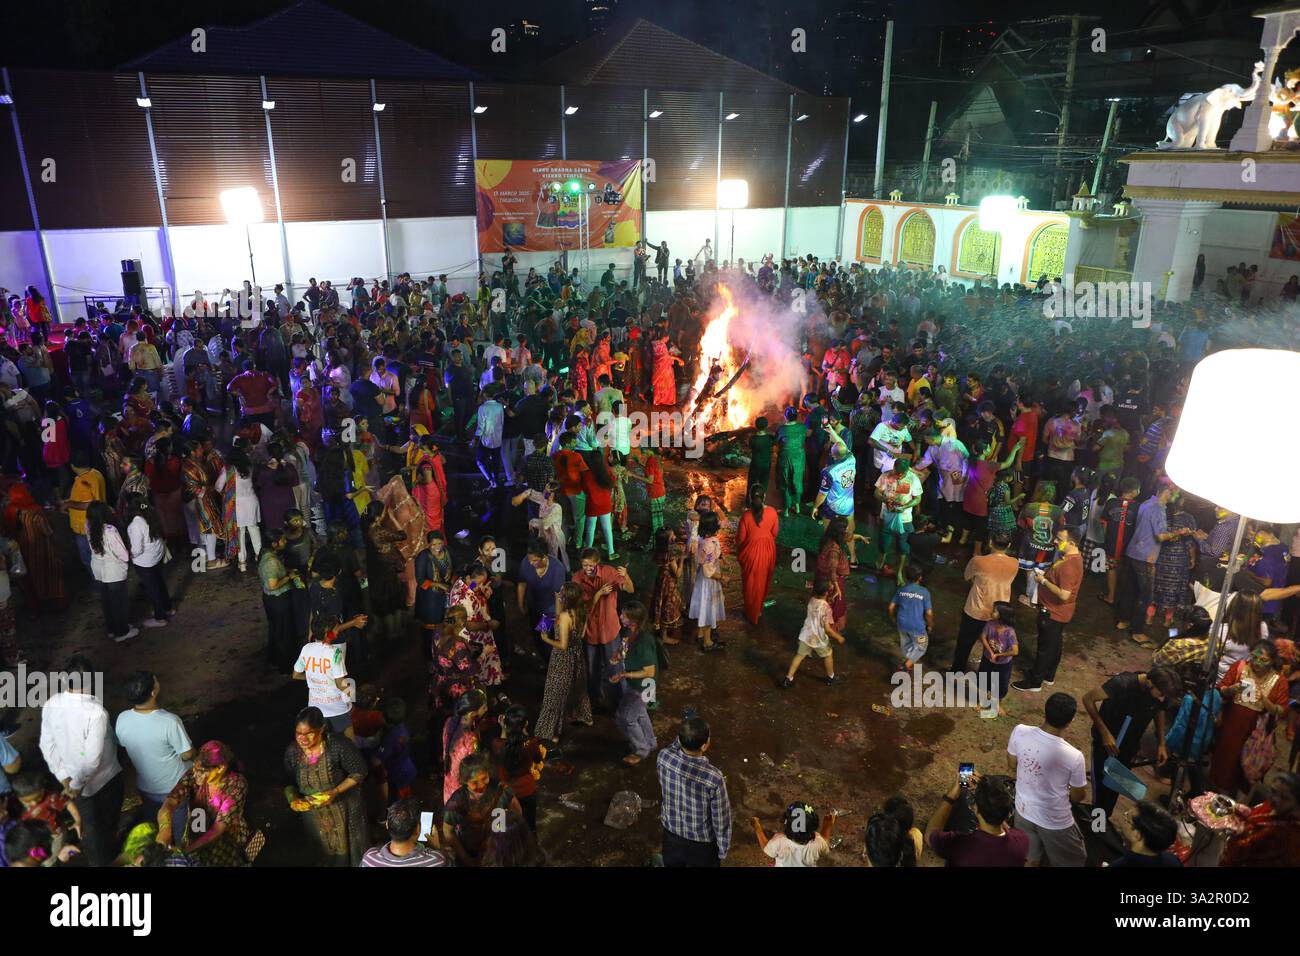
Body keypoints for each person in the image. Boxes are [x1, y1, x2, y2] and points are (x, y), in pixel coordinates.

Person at [38, 655, 124, 867]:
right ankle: (103, 861)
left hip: (73, 783)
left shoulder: (51, 704)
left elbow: (47, 745)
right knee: (102, 825)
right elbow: (91, 758)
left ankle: (102, 855)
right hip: (103, 780)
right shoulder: (95, 713)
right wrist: (76, 784)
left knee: (90, 825)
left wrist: (64, 777)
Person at [1082, 666, 1183, 816]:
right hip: (1106, 746)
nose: (1162, 699)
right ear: (1149, 682)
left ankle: (1103, 819)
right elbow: (1088, 699)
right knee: (1101, 790)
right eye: (1160, 694)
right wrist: (1105, 733)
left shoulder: (1160, 693)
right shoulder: (1122, 684)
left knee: (1114, 786)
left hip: (1129, 747)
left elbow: (1159, 710)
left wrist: (1161, 743)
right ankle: (1096, 824)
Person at [1006, 692, 1089, 867]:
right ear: (1070, 721)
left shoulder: (1020, 731)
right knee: (1073, 862)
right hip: (1054, 820)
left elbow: (1012, 764)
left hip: (1023, 810)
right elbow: (1077, 797)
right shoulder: (1074, 756)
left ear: (1046, 711)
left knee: (1030, 859)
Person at [284, 706, 369, 867]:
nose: (302, 739)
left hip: (345, 809)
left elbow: (360, 771)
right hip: (314, 816)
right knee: (322, 852)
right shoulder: (292, 752)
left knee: (350, 854)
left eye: (309, 733)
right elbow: (288, 782)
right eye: (298, 733)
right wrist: (292, 798)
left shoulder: (337, 745)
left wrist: (335, 791)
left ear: (321, 729)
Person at [1210, 639, 1290, 797]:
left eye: (1263, 660)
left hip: (1257, 731)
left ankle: (1236, 799)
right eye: (1254, 657)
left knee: (1246, 764)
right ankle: (1214, 792)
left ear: (1272, 661)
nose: (1257, 663)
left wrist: (1265, 702)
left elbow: (1281, 711)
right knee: (1225, 757)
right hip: (1231, 724)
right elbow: (1221, 689)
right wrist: (1230, 689)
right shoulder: (1240, 668)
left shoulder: (1279, 681)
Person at [114, 672, 194, 827]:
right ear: (153, 692)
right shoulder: (169, 721)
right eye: (156, 681)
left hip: (145, 787)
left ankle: (158, 848)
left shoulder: (122, 719)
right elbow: (187, 754)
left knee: (154, 824)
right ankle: (179, 850)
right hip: (174, 788)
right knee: (179, 827)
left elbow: (123, 744)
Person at [157, 740, 250, 867]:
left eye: (200, 771)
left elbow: (217, 830)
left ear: (220, 768)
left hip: (226, 840)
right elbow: (170, 802)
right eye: (194, 769)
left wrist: (185, 852)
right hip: (197, 829)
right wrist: (165, 829)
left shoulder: (236, 785)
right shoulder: (194, 774)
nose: (195, 775)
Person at [1013, 528, 1084, 693]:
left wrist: (1043, 581)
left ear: (1071, 543)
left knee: (1045, 647)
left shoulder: (1069, 566)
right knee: (1055, 644)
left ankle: (1035, 681)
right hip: (1059, 612)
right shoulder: (1072, 558)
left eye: (1060, 540)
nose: (1055, 542)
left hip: (1054, 612)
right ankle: (1048, 675)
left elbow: (1064, 594)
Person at [657, 714, 732, 866]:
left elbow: (674, 746)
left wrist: (687, 732)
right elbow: (721, 818)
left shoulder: (664, 757)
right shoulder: (713, 777)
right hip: (701, 843)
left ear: (680, 739)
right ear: (705, 746)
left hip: (672, 835)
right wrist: (723, 848)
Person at [925, 773, 1028, 867]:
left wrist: (950, 796)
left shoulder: (960, 844)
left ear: (976, 809)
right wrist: (989, 788)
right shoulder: (1021, 840)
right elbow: (1003, 823)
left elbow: (930, 834)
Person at [441, 755, 527, 867]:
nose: (481, 785)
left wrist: (507, 836)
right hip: (470, 852)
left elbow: (517, 812)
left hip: (499, 849)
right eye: (474, 782)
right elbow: (448, 831)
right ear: (464, 781)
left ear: (488, 773)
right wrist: (466, 858)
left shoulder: (501, 789)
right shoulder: (457, 802)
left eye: (484, 778)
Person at [950, 533, 1018, 672]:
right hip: (1000, 612)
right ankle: (985, 676)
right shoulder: (1014, 563)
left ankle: (957, 671)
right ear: (1009, 545)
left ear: (990, 542)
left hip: (977, 609)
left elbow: (967, 576)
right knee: (994, 645)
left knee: (965, 643)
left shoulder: (978, 561)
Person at [536, 582, 594, 745]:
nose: (559, 593)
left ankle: (551, 733)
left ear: (567, 598)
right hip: (577, 655)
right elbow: (580, 635)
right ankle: (585, 717)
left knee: (554, 695)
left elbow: (562, 645)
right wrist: (557, 601)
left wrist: (546, 639)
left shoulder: (564, 617)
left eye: (561, 593)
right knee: (579, 688)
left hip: (562, 660)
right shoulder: (581, 611)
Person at [609, 601, 658, 766]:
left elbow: (650, 672)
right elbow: (625, 646)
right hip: (636, 685)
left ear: (634, 621)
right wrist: (618, 654)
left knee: (626, 718)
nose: (620, 616)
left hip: (645, 686)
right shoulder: (630, 632)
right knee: (640, 714)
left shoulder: (644, 641)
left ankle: (641, 750)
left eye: (624, 615)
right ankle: (650, 742)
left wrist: (624, 674)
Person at [1220, 771, 1300, 867]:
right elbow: (1253, 816)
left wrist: (1239, 832)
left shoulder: (1287, 833)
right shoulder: (1274, 807)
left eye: (1284, 798)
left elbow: (1242, 850)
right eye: (1274, 791)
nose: (1275, 799)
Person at [85, 500, 138, 643]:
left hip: (98, 567)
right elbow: (122, 553)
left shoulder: (88, 526)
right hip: (113, 569)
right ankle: (122, 631)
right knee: (118, 602)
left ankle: (111, 629)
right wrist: (127, 559)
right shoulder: (109, 530)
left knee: (106, 600)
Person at [782, 579, 846, 688]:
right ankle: (831, 678)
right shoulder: (827, 608)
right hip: (819, 638)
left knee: (799, 656)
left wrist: (826, 600)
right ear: (826, 593)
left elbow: (818, 606)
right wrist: (838, 637)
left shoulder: (811, 600)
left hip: (806, 635)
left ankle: (788, 679)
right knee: (828, 656)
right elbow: (827, 629)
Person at [126, 496, 174, 628]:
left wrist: (130, 554)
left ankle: (160, 617)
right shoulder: (151, 514)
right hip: (157, 555)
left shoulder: (135, 524)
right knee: (159, 583)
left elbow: (137, 549)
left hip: (145, 561)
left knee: (153, 589)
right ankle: (168, 608)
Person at [360, 798, 448, 867]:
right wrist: (437, 849)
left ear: (387, 825)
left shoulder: (369, 858)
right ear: (417, 830)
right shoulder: (436, 861)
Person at [736, 483, 779, 624]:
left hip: (751, 553)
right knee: (763, 581)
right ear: (764, 496)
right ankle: (758, 609)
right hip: (767, 551)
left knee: (750, 583)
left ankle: (751, 612)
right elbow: (774, 533)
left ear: (750, 498)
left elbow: (740, 539)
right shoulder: (772, 512)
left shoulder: (746, 516)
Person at [752, 802, 836, 867]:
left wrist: (757, 828)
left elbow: (766, 848)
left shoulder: (779, 840)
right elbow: (825, 845)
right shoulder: (818, 841)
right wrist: (827, 827)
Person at [1108, 799, 1182, 867]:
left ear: (1137, 835)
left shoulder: (1121, 864)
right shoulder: (1173, 860)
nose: (1124, 816)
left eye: (1127, 817)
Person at [890, 563, 933, 672]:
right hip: (917, 628)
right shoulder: (924, 592)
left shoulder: (901, 590)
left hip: (902, 624)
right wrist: (930, 625)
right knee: (921, 646)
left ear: (906, 577)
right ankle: (905, 666)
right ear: (920, 577)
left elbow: (891, 607)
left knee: (906, 644)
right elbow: (929, 613)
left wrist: (893, 618)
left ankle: (907, 662)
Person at [979, 602, 1019, 716]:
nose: (992, 612)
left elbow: (1015, 651)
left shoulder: (1009, 632)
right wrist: (991, 652)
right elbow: (983, 636)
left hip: (1004, 663)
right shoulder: (990, 624)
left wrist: (998, 655)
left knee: (1001, 684)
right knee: (984, 679)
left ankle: (996, 704)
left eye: (995, 611)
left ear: (1003, 615)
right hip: (988, 658)